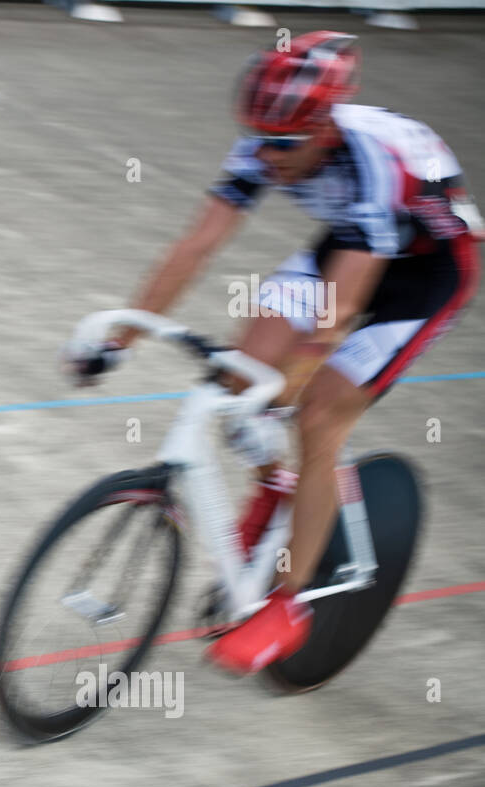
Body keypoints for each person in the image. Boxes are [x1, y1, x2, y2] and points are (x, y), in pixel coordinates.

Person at [73, 32, 480, 674]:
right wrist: (121, 338)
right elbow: (195, 246)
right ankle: (275, 489)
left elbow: (337, 316)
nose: (266, 154)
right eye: (256, 137)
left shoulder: (372, 161)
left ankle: (286, 607)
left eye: (283, 144)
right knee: (241, 379)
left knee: (315, 415)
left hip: (428, 276)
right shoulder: (269, 139)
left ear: (322, 127)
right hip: (349, 244)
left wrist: (292, 385)